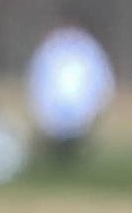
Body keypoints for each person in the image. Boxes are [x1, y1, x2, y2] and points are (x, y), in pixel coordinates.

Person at [26, 23, 115, 161]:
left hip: (78, 119)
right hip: (56, 120)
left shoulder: (86, 50)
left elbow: (101, 83)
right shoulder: (53, 50)